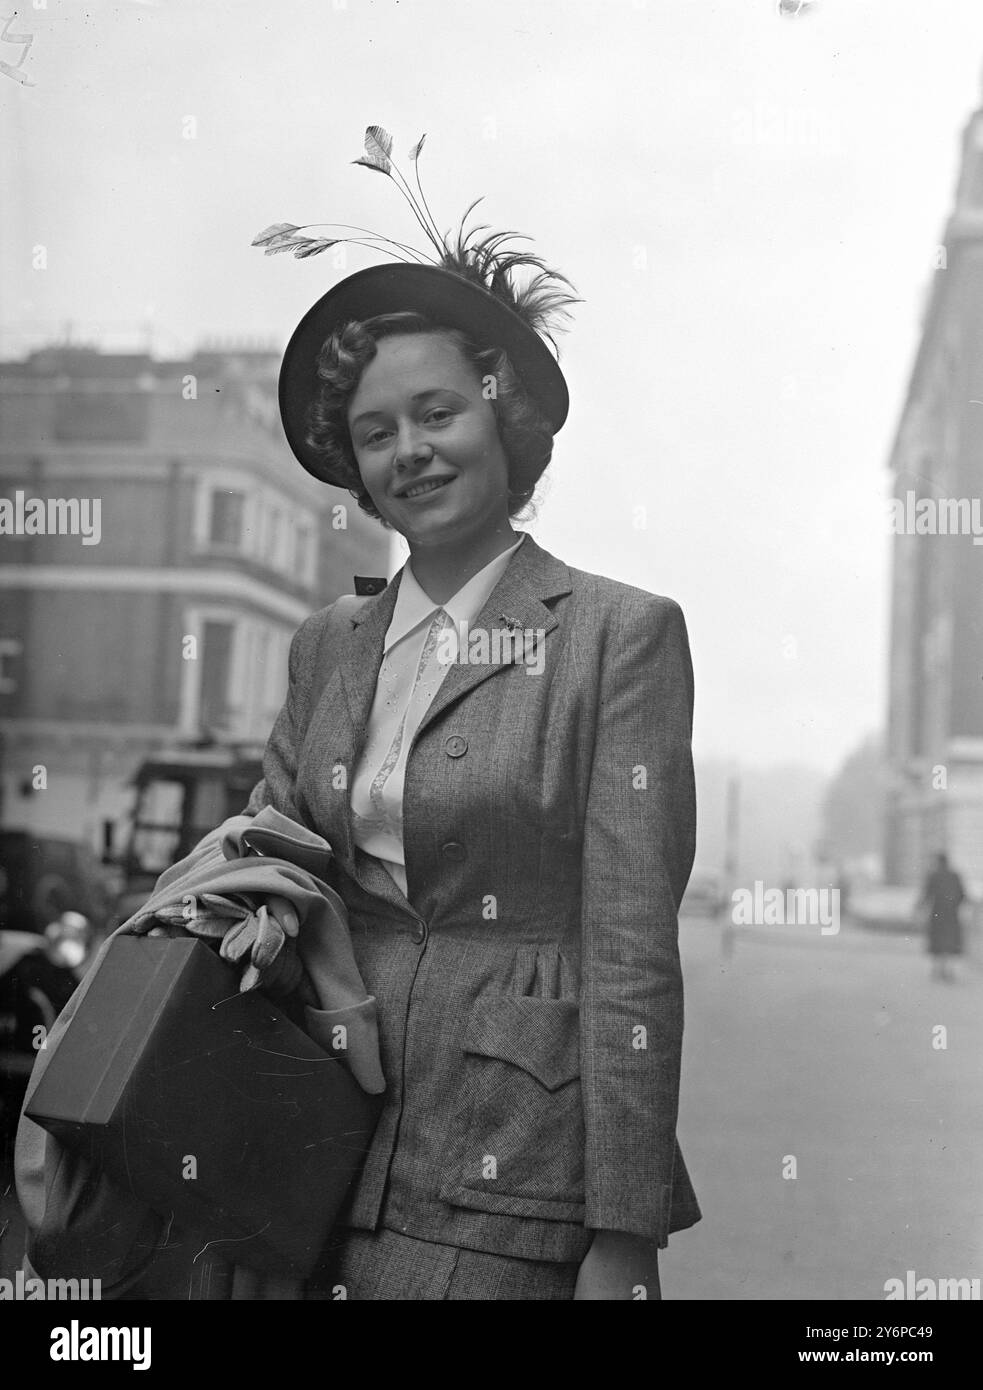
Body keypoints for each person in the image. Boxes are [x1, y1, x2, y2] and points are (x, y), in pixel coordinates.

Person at [18, 127, 702, 1300]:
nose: (407, 453)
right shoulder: (327, 644)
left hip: (508, 1161)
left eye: (436, 413)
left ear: (504, 421)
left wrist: (623, 1231)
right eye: (376, 431)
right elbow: (271, 860)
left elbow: (631, 956)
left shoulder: (615, 636)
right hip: (299, 1133)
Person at [918, 851, 965, 983]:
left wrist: (918, 907)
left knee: (937, 941)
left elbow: (926, 894)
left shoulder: (933, 875)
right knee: (950, 941)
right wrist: (955, 905)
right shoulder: (955, 875)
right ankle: (948, 970)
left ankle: (938, 969)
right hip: (951, 914)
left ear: (938, 862)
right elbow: (962, 894)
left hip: (937, 913)